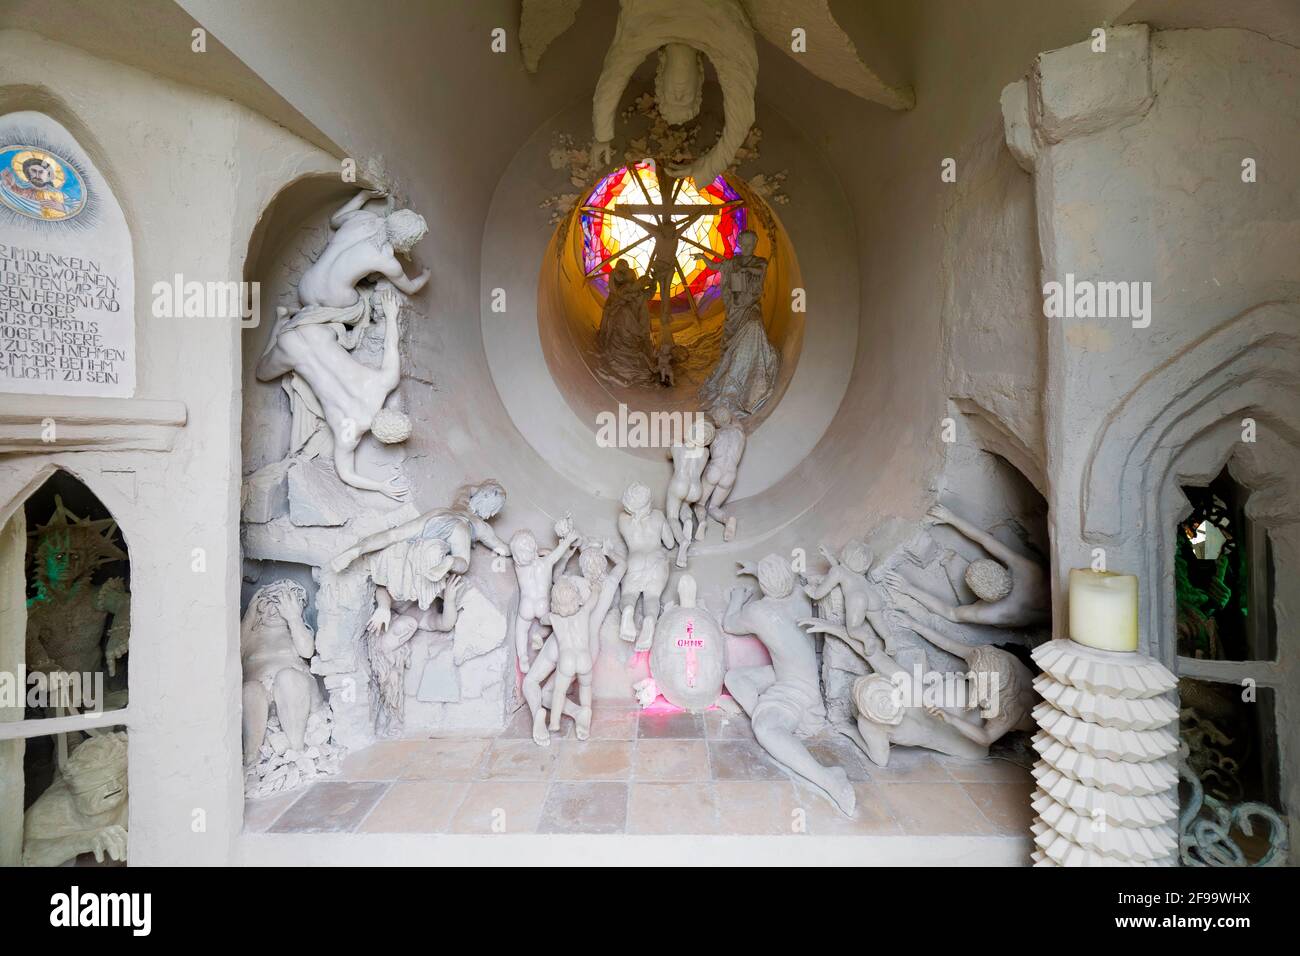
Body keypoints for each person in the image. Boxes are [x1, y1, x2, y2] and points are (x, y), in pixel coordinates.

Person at [722, 554, 856, 816]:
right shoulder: (800, 597)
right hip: (790, 675)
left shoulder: (758, 612)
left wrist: (738, 597)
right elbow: (792, 579)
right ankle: (765, 708)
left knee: (765, 729)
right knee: (734, 678)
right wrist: (758, 568)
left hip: (798, 693)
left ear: (764, 583)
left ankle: (829, 779)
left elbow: (729, 623)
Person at [255, 288, 412, 498]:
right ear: (380, 436)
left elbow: (390, 345)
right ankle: (281, 322)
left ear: (392, 414)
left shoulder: (383, 382)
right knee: (261, 374)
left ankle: (288, 318)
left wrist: (391, 316)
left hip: (316, 331)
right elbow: (346, 473)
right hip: (292, 350)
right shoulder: (351, 428)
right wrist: (381, 487)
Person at [885, 503, 1050, 627]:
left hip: (1032, 621)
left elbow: (951, 613)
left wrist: (908, 589)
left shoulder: (992, 614)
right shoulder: (1028, 571)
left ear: (983, 598)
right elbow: (987, 540)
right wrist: (951, 518)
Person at [526, 553, 627, 745]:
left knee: (537, 685)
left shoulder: (573, 582)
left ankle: (542, 716)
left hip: (561, 647)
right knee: (582, 686)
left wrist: (565, 555)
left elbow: (554, 581)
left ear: (582, 565)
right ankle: (582, 711)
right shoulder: (608, 585)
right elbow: (622, 564)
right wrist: (609, 550)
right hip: (588, 650)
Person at [330, 479, 510, 575]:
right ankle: (449, 562)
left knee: (394, 535)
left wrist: (485, 487)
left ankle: (358, 549)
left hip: (439, 515)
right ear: (492, 511)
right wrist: (530, 551)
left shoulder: (461, 502)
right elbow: (503, 549)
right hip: (462, 527)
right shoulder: (481, 526)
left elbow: (468, 488)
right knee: (463, 563)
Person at [696, 231, 779, 416]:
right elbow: (715, 266)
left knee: (754, 327)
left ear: (755, 245)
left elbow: (760, 269)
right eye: (745, 244)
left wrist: (745, 270)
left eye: (752, 245)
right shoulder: (732, 262)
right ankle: (734, 376)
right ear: (740, 243)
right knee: (732, 342)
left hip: (751, 307)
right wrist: (702, 258)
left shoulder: (759, 262)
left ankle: (751, 376)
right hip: (735, 309)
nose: (748, 248)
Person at [801, 539, 900, 656]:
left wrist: (812, 591)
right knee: (878, 622)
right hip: (873, 598)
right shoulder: (860, 575)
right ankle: (888, 638)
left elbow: (819, 594)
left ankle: (867, 639)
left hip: (857, 598)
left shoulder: (838, 571)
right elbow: (844, 569)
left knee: (853, 629)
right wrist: (828, 556)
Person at [509, 517, 579, 674]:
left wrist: (534, 553)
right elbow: (556, 554)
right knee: (551, 625)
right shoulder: (545, 563)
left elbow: (526, 555)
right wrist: (568, 540)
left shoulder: (519, 566)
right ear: (534, 546)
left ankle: (523, 658)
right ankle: (540, 636)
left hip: (526, 605)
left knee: (521, 629)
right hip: (543, 604)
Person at [616, 481, 675, 651]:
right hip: (656, 559)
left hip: (634, 559)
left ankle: (628, 611)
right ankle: (649, 621)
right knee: (652, 598)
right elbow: (670, 543)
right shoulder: (658, 516)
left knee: (628, 593)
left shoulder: (623, 520)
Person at [664, 417, 715, 567]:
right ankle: (687, 522)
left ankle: (682, 541)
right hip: (695, 488)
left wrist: (674, 442)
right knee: (685, 508)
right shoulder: (705, 452)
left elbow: (668, 454)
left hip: (679, 483)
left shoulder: (678, 446)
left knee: (672, 517)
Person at [694, 406, 745, 541]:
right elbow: (735, 420)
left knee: (699, 504)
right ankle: (727, 520)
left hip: (715, 469)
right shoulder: (740, 433)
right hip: (730, 474)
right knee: (713, 507)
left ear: (716, 422)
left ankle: (701, 522)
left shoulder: (715, 434)